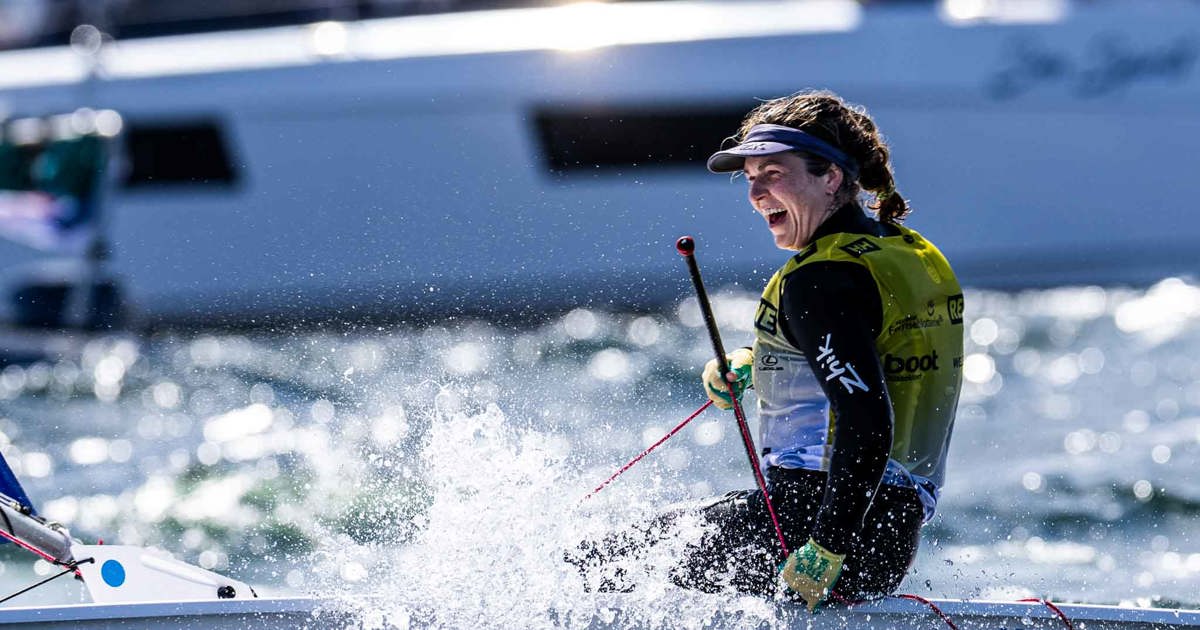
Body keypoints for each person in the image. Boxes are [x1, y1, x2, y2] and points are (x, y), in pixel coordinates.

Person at [570, 90, 963, 611]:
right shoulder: (906, 251)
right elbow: (878, 349)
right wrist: (759, 363)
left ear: (832, 177)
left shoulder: (820, 279)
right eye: (750, 177)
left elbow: (867, 420)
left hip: (814, 529)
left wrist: (825, 549)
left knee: (588, 565)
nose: (756, 193)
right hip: (888, 533)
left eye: (773, 172)